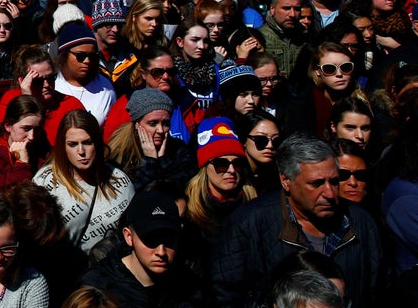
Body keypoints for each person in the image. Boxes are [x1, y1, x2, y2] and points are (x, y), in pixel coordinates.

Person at [211, 133, 381, 307]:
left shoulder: (360, 221)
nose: (330, 193)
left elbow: (379, 290)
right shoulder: (249, 224)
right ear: (285, 180)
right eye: (316, 183)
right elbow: (224, 295)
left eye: (335, 181)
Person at [32, 110, 134, 255]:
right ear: (63, 147)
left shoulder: (119, 179)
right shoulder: (45, 180)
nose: (81, 151)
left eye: (87, 142)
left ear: (97, 143)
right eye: (72, 144)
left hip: (110, 269)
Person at [77, 190, 204, 306]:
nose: (161, 252)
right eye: (151, 240)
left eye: (169, 240)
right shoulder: (98, 286)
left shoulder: (188, 284)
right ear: (128, 236)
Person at [184, 117, 258, 249]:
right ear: (205, 167)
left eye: (237, 163)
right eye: (221, 164)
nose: (231, 170)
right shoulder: (188, 211)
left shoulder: (255, 206)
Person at [106, 88, 194, 191]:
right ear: (136, 125)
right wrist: (150, 163)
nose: (160, 130)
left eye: (165, 123)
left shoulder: (178, 149)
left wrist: (162, 163)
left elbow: (182, 188)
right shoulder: (120, 155)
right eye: (153, 123)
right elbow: (129, 194)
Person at [0, 95, 47, 197]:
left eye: (37, 129)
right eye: (26, 129)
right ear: (8, 126)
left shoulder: (44, 151)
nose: (32, 136)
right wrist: (21, 165)